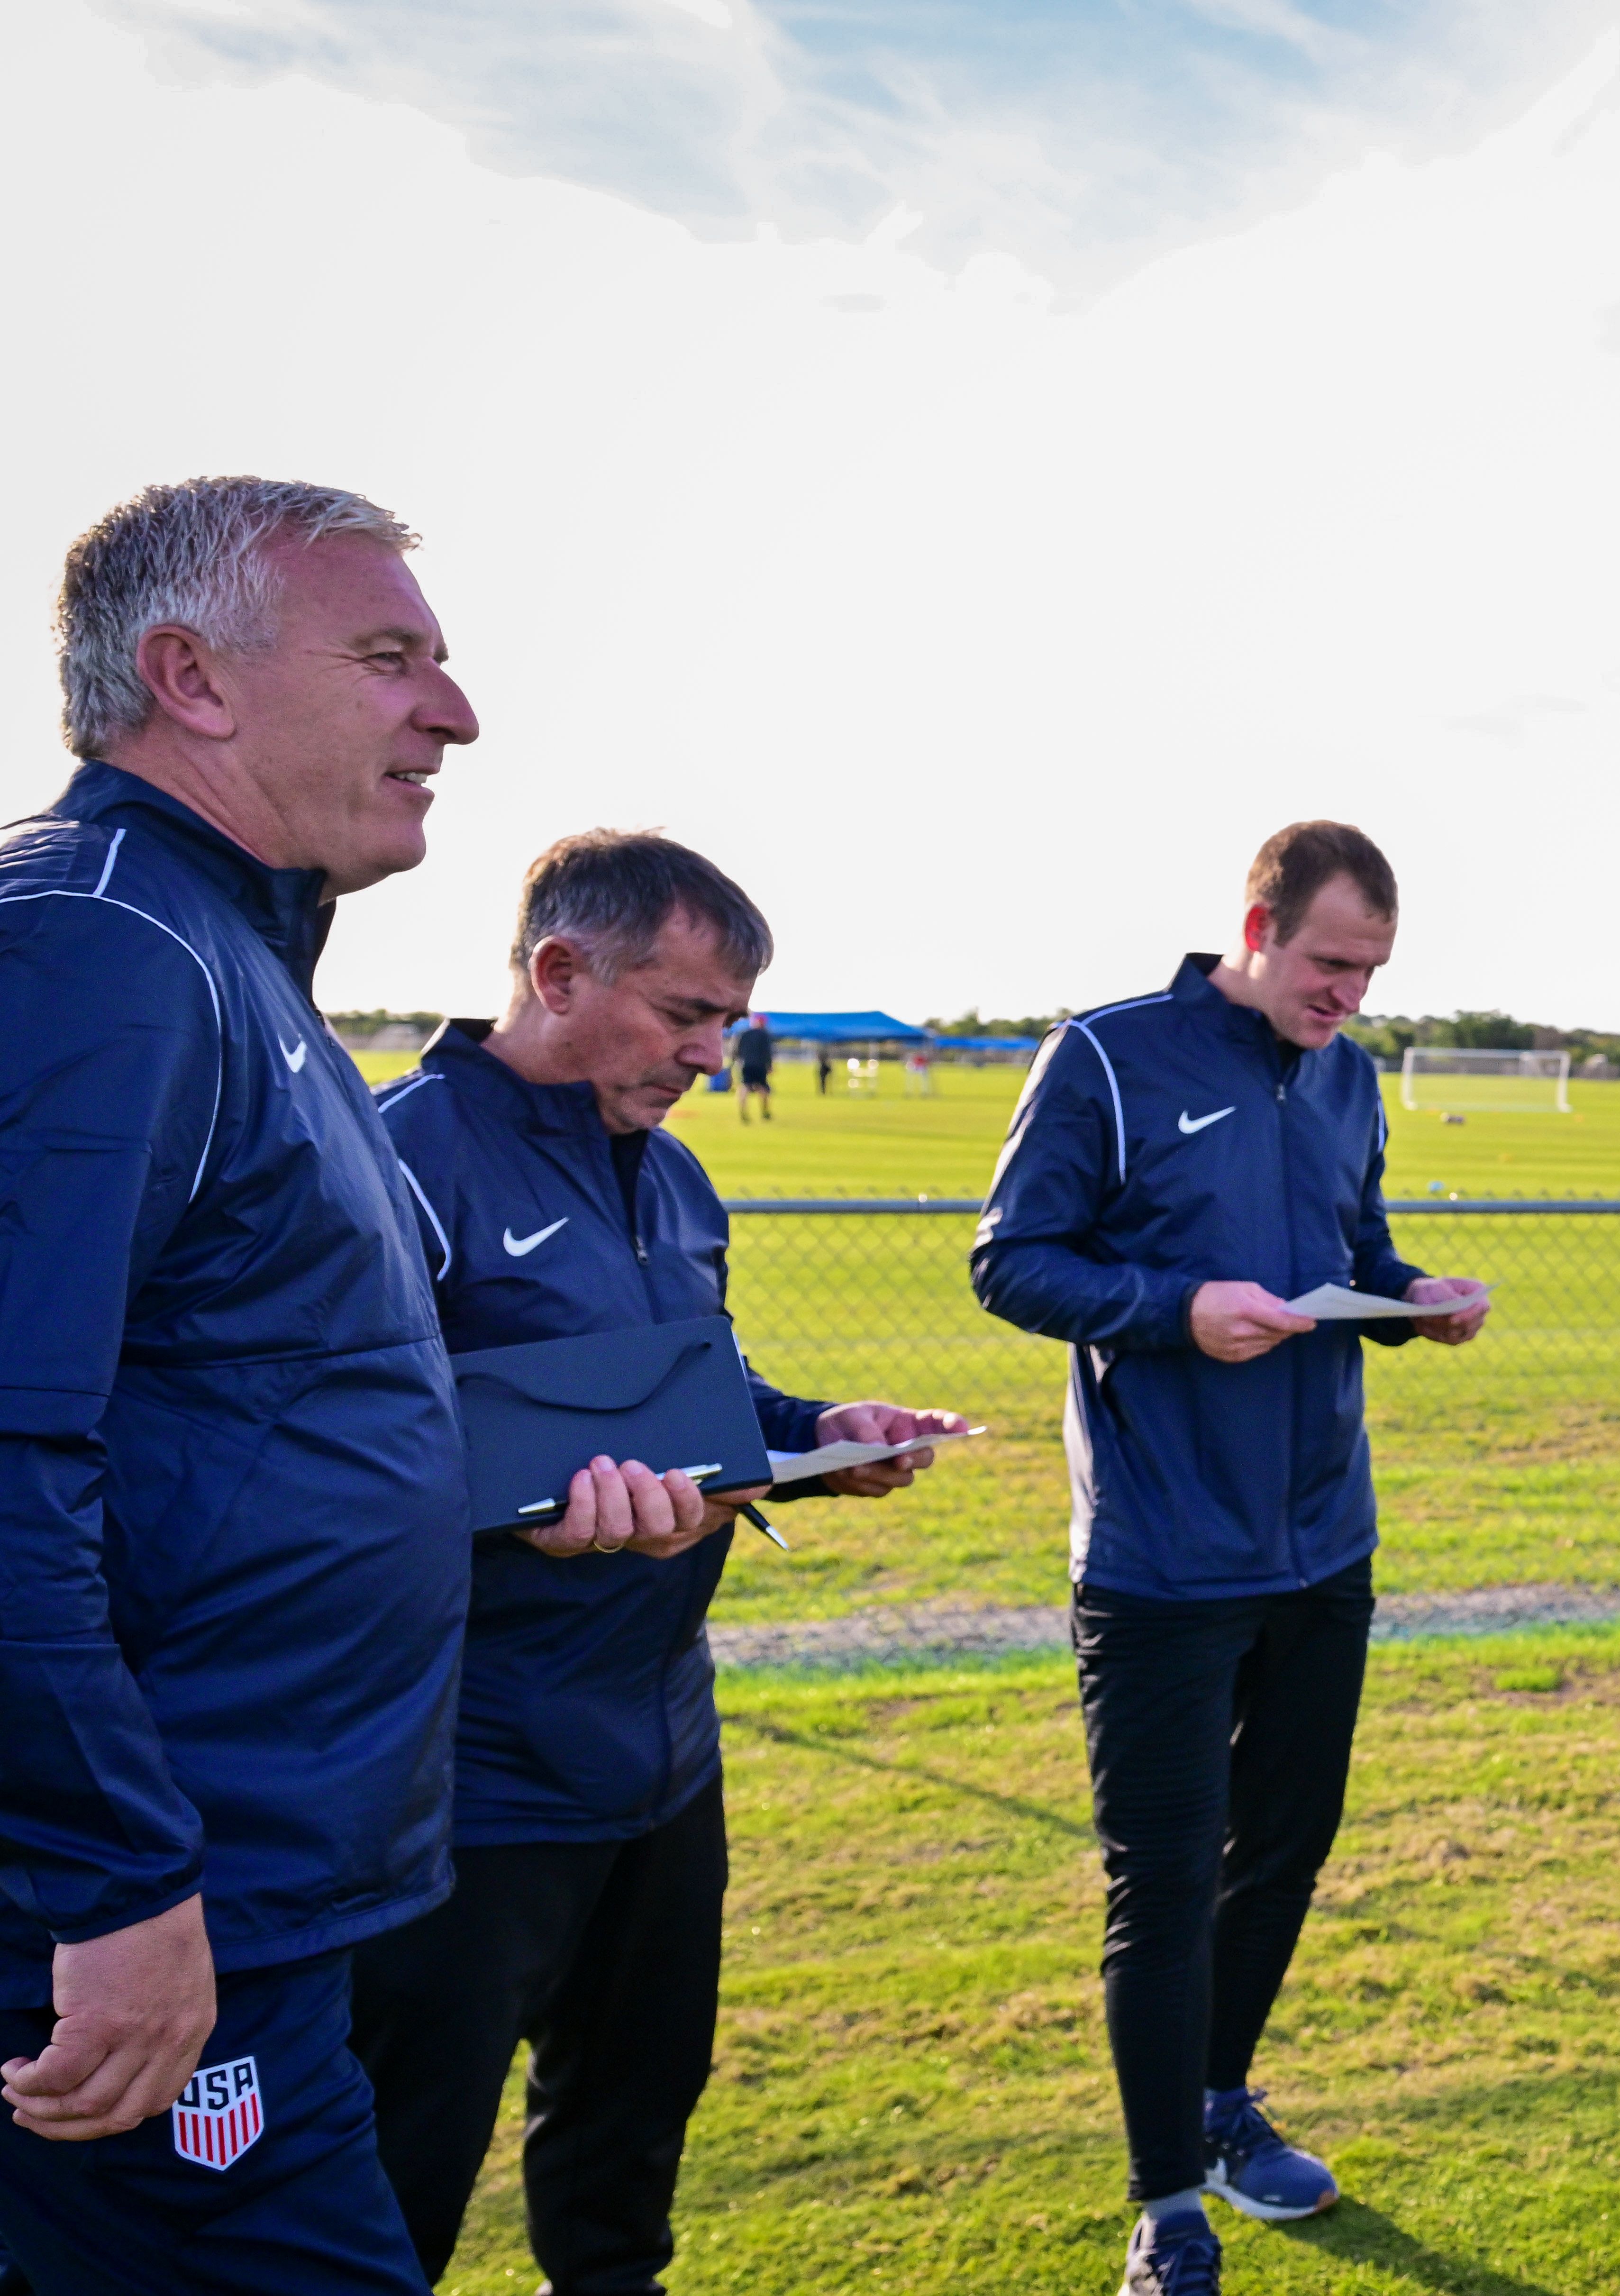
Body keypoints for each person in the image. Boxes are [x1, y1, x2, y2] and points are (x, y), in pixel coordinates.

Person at [347, 832, 966, 2295]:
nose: (712, 1050)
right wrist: (522, 1516)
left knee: (627, 2150)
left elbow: (698, 1398)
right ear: (558, 972)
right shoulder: (393, 1157)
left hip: (661, 1748)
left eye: (727, 1019)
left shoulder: (678, 1177)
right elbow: (321, 1464)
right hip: (466, 1773)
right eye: (685, 1013)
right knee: (398, 2169)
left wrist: (818, 1430)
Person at [0, 479, 478, 2294]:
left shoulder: (219, 947)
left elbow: (252, 1411)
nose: (452, 711)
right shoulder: (100, 947)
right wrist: (112, 1885)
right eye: (390, 658)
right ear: (189, 675)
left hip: (248, 1885)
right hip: (144, 1909)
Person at [971, 821, 1491, 2296]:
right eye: (1331, 964)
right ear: (1253, 928)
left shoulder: (1351, 1077)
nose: (1350, 997)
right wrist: (1175, 1306)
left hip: (1323, 1536)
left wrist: (1414, 1298)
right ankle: (1164, 2204)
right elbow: (1012, 1258)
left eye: (1373, 973)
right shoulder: (1109, 1056)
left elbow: (1358, 1250)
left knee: (1286, 1850)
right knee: (1162, 1881)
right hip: (1158, 1553)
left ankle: (1220, 2103)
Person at [733, 1013, 774, 1121]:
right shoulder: (765, 1035)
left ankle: (743, 1111)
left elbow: (737, 1050)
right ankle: (765, 1112)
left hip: (746, 1064)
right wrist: (770, 1066)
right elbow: (767, 1052)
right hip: (760, 1065)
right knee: (763, 1088)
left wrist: (738, 1061)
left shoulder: (744, 1034)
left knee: (745, 1086)